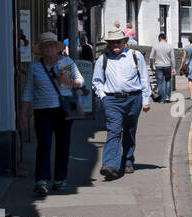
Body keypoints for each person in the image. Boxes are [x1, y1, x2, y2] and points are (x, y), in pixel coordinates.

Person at [21, 31, 84, 195]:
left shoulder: (66, 62)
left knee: (63, 144)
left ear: (57, 47)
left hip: (63, 109)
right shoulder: (35, 66)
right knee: (44, 145)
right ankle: (42, 180)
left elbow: (80, 82)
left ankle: (60, 179)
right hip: (42, 110)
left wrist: (67, 82)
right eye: (45, 46)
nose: (48, 48)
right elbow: (28, 90)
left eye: (51, 45)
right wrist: (22, 114)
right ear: (41, 49)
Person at [91, 27, 151, 179]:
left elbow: (144, 78)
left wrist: (146, 100)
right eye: (112, 42)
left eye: (118, 41)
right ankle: (110, 165)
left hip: (133, 98)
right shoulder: (102, 59)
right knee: (114, 130)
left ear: (125, 42)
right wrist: (103, 97)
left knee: (129, 130)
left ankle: (128, 160)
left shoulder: (135, 56)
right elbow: (96, 81)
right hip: (112, 100)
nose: (115, 45)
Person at [149, 33, 175, 104]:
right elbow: (172, 58)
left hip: (158, 66)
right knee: (168, 81)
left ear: (159, 38)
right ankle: (167, 97)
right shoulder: (170, 46)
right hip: (167, 65)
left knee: (159, 83)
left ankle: (162, 99)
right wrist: (174, 68)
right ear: (165, 38)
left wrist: (151, 66)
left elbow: (151, 57)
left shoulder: (155, 46)